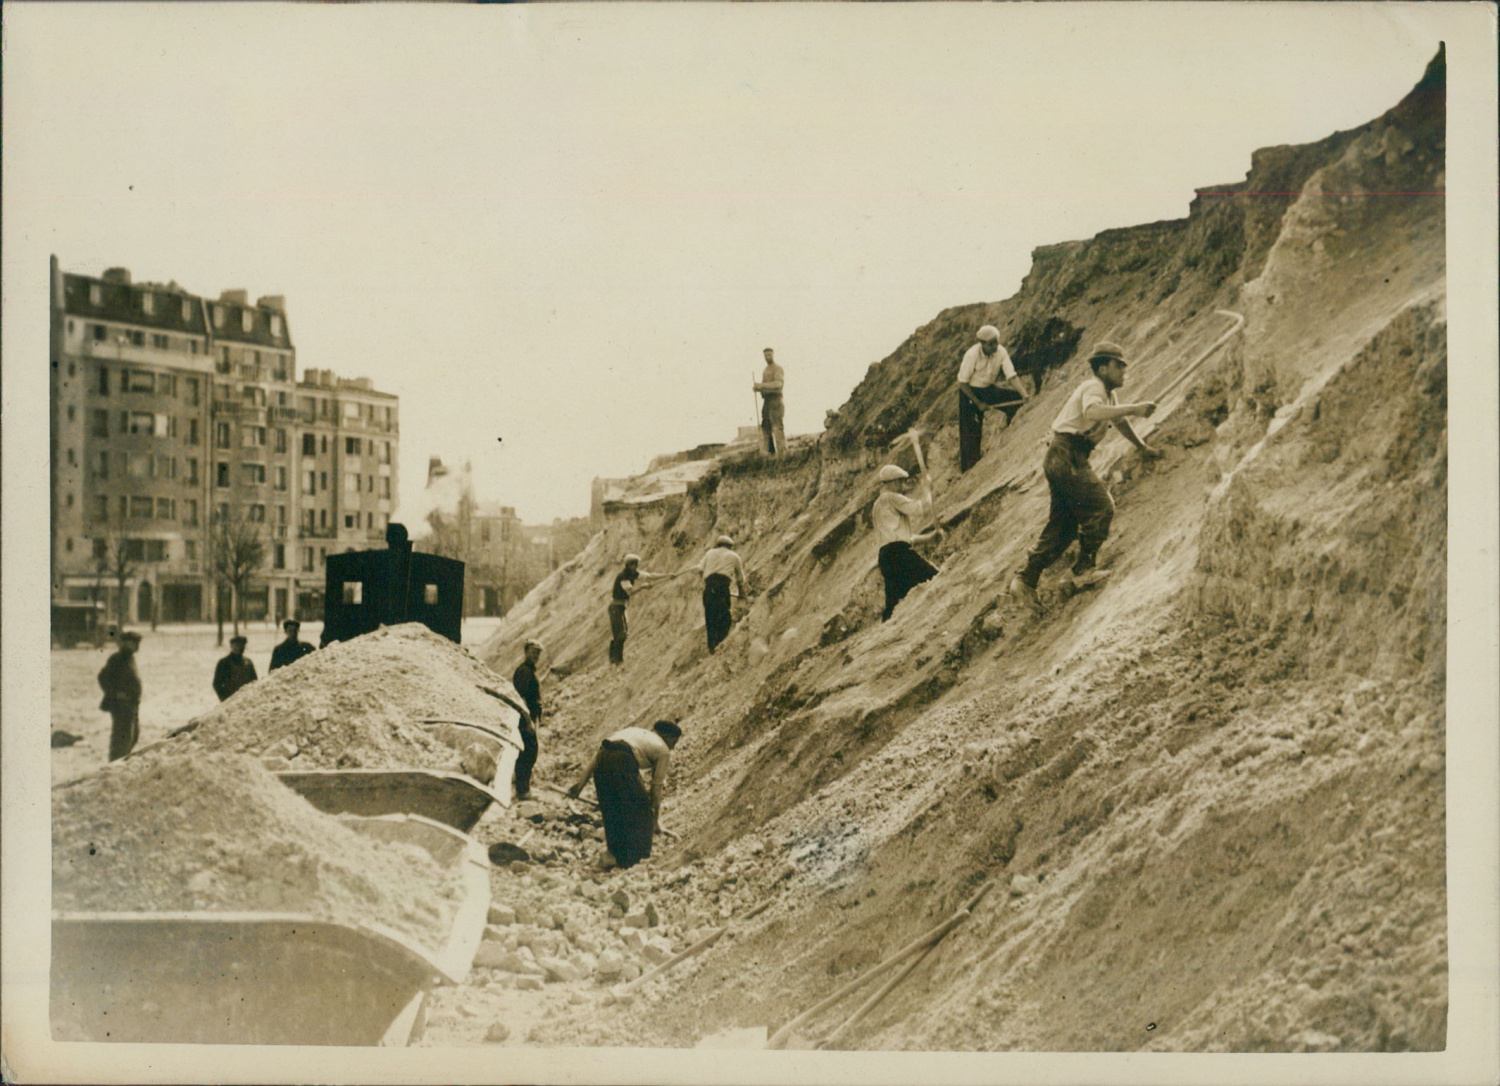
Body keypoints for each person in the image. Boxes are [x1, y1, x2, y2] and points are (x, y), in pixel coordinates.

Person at [1009, 342, 1161, 608]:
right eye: (1118, 366)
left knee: (1064, 526)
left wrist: (1141, 446)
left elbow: (1120, 422)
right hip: (1067, 455)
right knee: (1102, 508)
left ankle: (1025, 581)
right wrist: (1135, 407)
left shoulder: (1107, 395)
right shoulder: (1094, 387)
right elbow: (1092, 412)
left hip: (1064, 456)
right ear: (1102, 368)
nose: (1124, 371)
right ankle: (1082, 571)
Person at [568, 719, 682, 869]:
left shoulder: (635, 733)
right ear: (667, 737)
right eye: (674, 742)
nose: (673, 748)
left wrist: (579, 785)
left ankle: (612, 856)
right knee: (642, 811)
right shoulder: (663, 750)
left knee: (611, 809)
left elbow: (597, 756)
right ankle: (638, 861)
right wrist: (654, 819)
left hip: (603, 757)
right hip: (622, 760)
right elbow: (656, 788)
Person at [871, 464, 945, 621]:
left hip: (886, 557)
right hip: (899, 554)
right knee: (933, 576)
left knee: (894, 601)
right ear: (892, 482)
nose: (902, 486)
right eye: (900, 482)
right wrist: (927, 490)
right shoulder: (891, 497)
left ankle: (887, 630)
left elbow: (903, 538)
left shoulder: (877, 506)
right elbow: (918, 508)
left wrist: (930, 537)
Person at [957, 325, 1029, 473]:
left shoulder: (1001, 351)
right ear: (982, 344)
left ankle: (1012, 435)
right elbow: (962, 383)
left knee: (1015, 399)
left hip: (988, 389)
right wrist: (978, 403)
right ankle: (969, 470)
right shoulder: (972, 355)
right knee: (971, 432)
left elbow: (1011, 376)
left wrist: (1024, 395)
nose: (995, 346)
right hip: (969, 393)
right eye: (990, 344)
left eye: (996, 342)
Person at [607, 554, 674, 665]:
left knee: (621, 633)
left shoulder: (632, 574)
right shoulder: (623, 576)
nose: (636, 566)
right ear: (628, 565)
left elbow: (650, 576)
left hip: (620, 607)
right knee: (621, 634)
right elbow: (630, 592)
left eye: (636, 564)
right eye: (634, 564)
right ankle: (616, 660)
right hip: (616, 608)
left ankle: (614, 659)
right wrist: (642, 587)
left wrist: (668, 575)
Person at [693, 536, 749, 653]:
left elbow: (699, 569)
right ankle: (721, 641)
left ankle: (712, 647)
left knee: (710, 617)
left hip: (709, 588)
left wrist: (705, 581)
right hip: (722, 588)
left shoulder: (709, 553)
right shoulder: (734, 556)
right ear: (730, 546)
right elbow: (740, 579)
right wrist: (742, 593)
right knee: (724, 615)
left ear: (718, 544)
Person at [98, 632, 143, 762]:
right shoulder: (117, 659)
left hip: (131, 704)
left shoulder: (129, 658)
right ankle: (115, 765)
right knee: (122, 738)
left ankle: (120, 762)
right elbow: (103, 677)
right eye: (134, 643)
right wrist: (116, 694)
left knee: (133, 736)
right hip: (121, 705)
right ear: (125, 643)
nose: (137, 646)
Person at [511, 639, 545, 800]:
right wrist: (528, 721)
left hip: (529, 717)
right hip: (525, 718)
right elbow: (521, 698)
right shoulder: (524, 671)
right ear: (525, 653)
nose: (535, 656)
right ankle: (522, 791)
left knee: (528, 752)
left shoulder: (530, 670)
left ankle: (522, 787)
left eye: (538, 653)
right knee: (528, 753)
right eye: (533, 652)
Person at [754, 348, 786, 456]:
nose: (767, 357)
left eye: (769, 355)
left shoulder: (777, 368)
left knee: (777, 426)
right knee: (766, 426)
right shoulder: (765, 370)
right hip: (767, 402)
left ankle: (782, 453)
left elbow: (778, 384)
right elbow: (766, 387)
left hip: (776, 401)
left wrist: (762, 385)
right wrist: (758, 389)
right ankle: (770, 453)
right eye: (765, 355)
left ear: (773, 355)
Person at [213, 636, 258, 701]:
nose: (239, 648)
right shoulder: (224, 663)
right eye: (236, 645)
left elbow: (254, 682)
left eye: (242, 646)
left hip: (246, 700)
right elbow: (217, 683)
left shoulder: (248, 663)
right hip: (230, 701)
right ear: (231, 646)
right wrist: (225, 699)